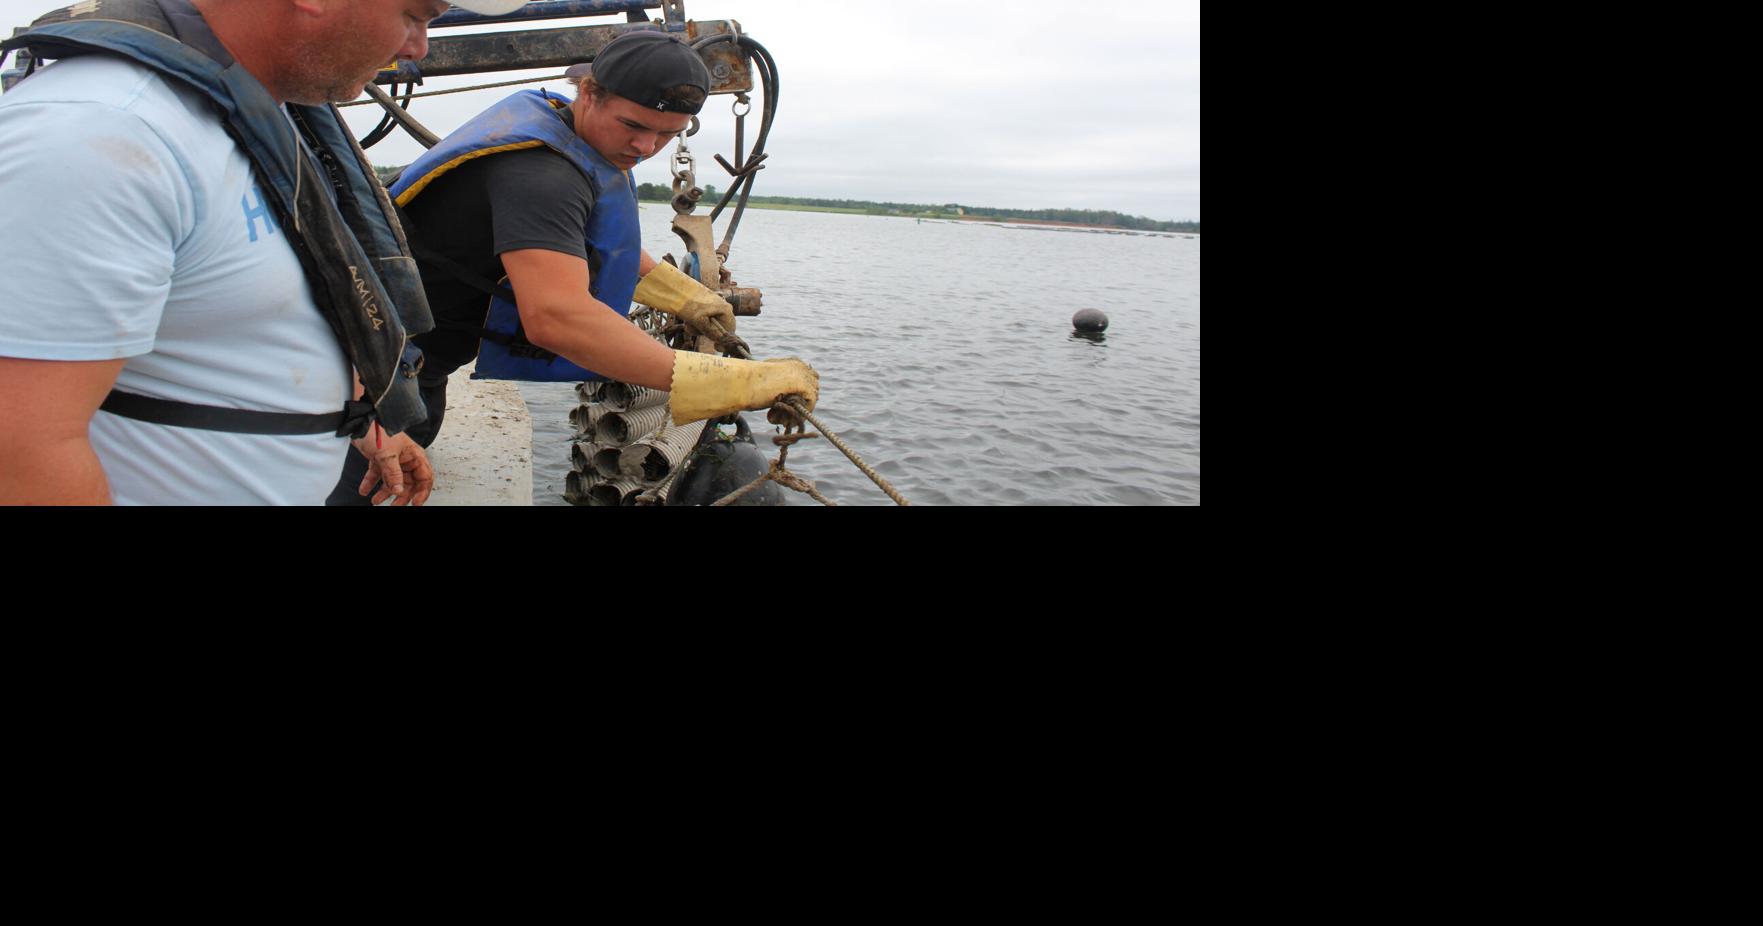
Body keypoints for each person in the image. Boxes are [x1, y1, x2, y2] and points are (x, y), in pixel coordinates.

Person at [0, 0, 529, 505]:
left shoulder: (257, 113)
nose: (417, 47)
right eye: (414, 16)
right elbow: (21, 451)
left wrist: (364, 422)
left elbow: (256, 306)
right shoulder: (101, 136)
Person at [325, 29, 819, 504]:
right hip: (357, 373)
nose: (646, 148)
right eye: (634, 125)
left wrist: (683, 296)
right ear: (588, 91)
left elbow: (601, 246)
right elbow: (557, 318)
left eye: (668, 135)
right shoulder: (541, 176)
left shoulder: (566, 132)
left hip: (406, 363)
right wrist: (734, 381)